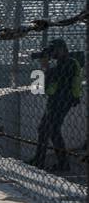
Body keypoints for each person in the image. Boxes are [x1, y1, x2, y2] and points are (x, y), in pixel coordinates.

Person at [28, 39, 83, 172]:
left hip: (63, 100)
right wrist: (46, 66)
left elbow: (55, 76)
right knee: (44, 129)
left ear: (63, 49)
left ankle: (63, 164)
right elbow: (45, 83)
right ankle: (40, 159)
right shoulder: (62, 62)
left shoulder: (69, 63)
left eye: (55, 50)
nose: (53, 53)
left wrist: (46, 67)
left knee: (53, 130)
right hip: (56, 100)